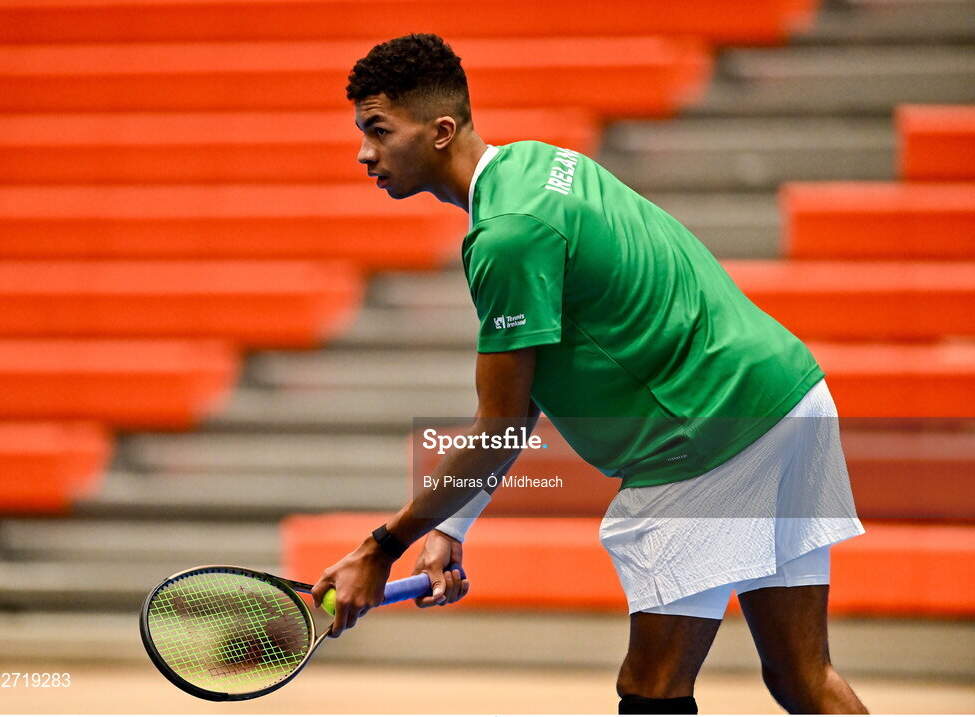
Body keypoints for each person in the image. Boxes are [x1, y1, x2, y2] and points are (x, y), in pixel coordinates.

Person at [310, 33, 867, 715]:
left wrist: (381, 545)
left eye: (378, 130)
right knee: (802, 675)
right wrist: (454, 525)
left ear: (440, 130)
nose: (364, 152)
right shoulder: (539, 166)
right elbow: (531, 391)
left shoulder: (506, 236)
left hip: (707, 435)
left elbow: (501, 429)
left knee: (651, 685)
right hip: (787, 396)